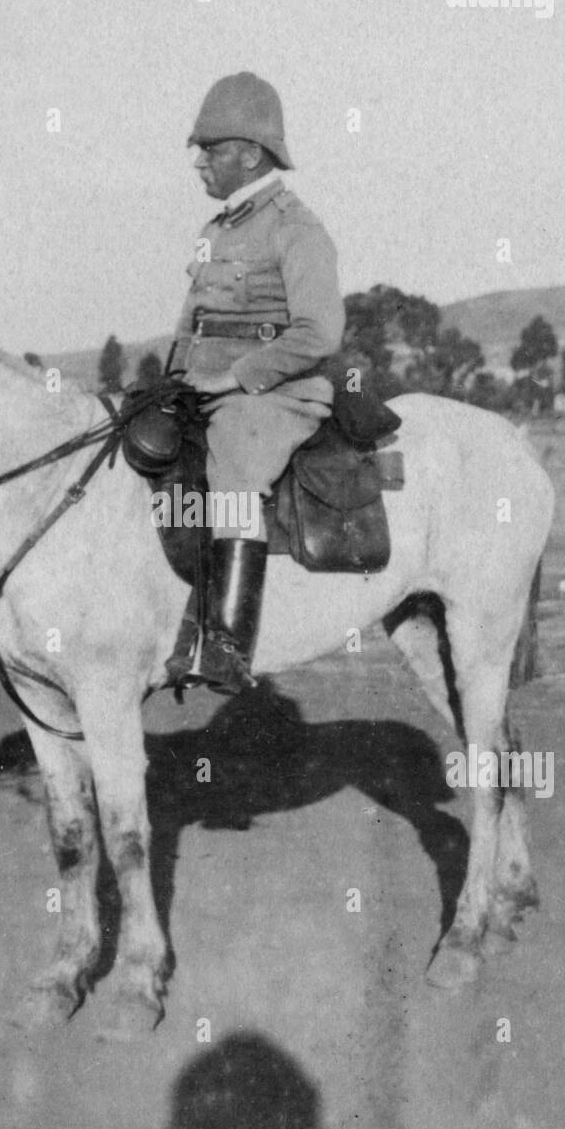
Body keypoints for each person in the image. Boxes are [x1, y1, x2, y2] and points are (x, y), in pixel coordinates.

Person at [167, 72, 345, 693]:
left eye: (211, 150)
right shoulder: (215, 231)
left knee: (236, 462)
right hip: (210, 388)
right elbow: (192, 322)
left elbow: (320, 332)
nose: (199, 163)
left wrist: (235, 379)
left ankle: (226, 643)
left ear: (250, 154)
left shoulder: (294, 228)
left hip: (279, 395)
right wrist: (175, 382)